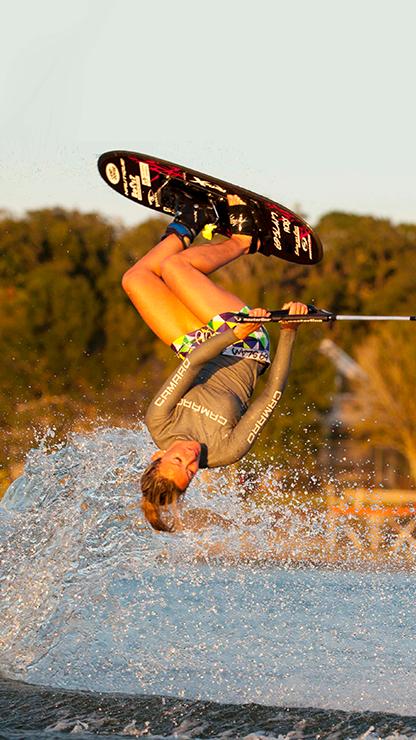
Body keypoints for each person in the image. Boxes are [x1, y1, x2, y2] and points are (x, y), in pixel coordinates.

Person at [121, 194, 307, 532]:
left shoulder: (158, 423)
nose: (191, 457)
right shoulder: (225, 452)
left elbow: (192, 364)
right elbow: (272, 394)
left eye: (178, 460)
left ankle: (191, 218)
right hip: (247, 348)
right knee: (177, 267)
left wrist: (231, 332)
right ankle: (243, 241)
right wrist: (289, 330)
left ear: (157, 456)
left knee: (135, 280)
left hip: (206, 345)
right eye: (191, 471)